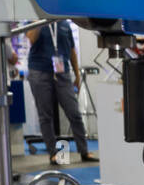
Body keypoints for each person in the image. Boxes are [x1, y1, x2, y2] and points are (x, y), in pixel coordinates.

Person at [26, 19, 95, 165]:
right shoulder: (34, 22)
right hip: (39, 72)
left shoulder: (64, 24)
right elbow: (31, 39)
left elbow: (71, 51)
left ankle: (84, 151)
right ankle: (53, 153)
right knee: (45, 115)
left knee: (74, 112)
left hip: (62, 73)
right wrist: (39, 21)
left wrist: (76, 74)